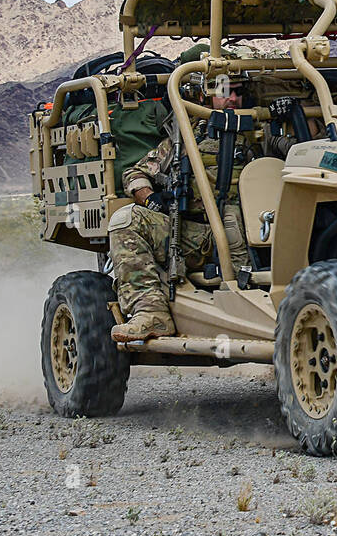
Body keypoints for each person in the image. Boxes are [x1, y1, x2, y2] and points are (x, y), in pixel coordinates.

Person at [106, 74, 254, 342]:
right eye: (223, 91)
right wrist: (150, 198)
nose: (231, 99)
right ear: (204, 96)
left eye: (237, 92)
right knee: (126, 220)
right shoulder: (185, 140)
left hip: (255, 233)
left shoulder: (258, 132)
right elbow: (135, 173)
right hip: (200, 235)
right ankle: (151, 312)